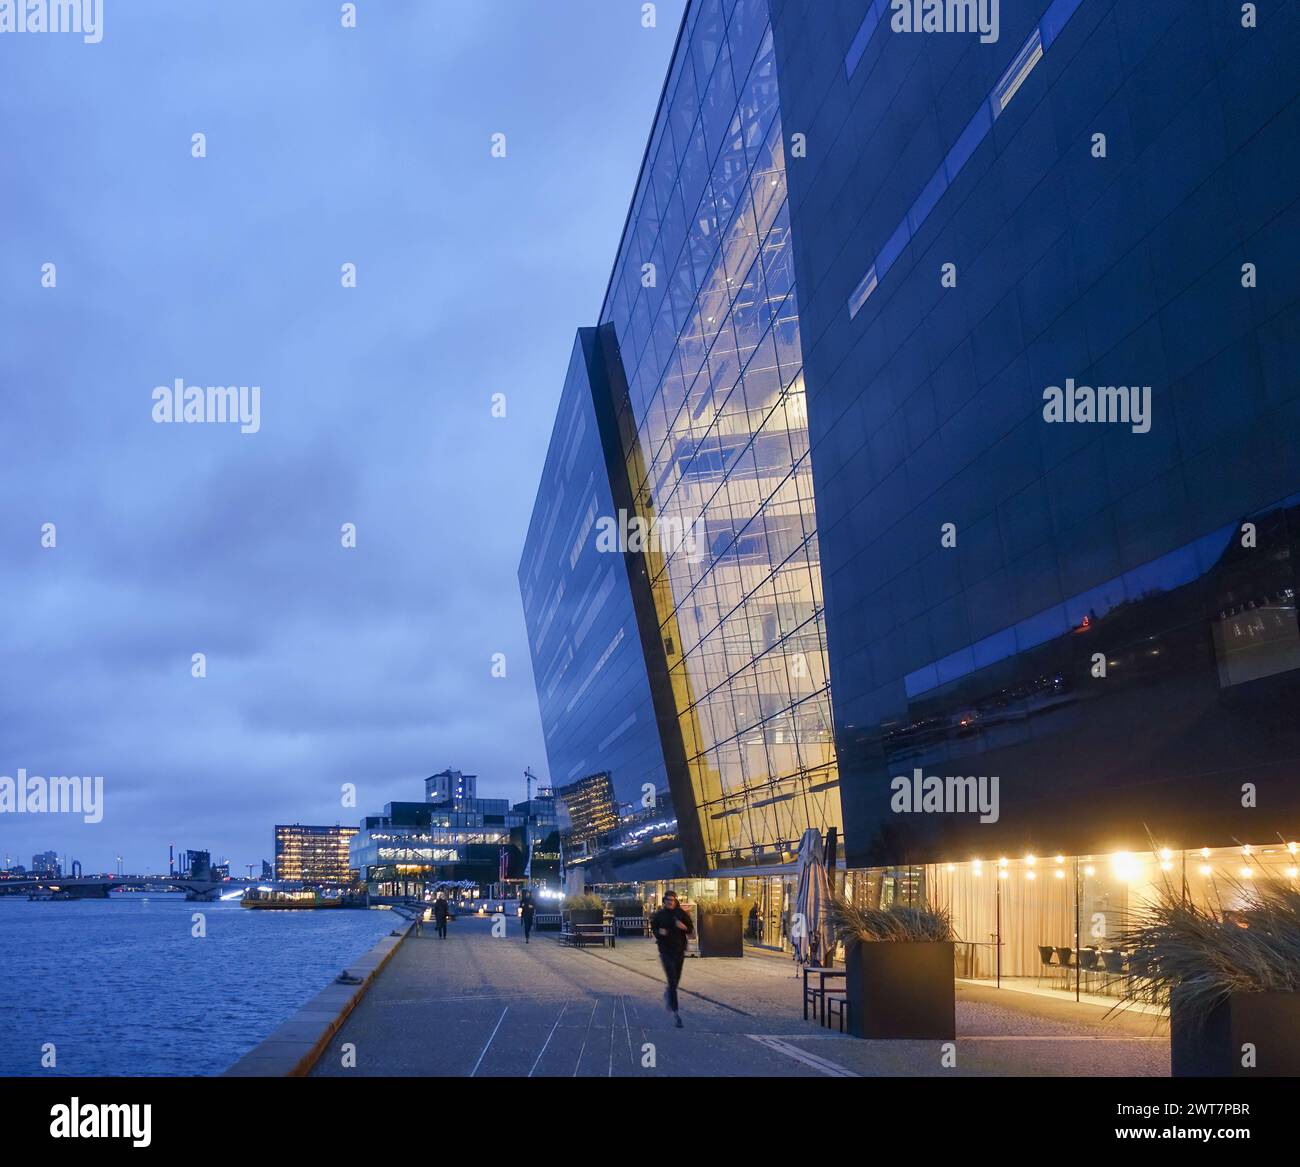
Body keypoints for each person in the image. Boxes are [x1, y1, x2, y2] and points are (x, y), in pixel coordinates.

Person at [651, 890, 693, 1028]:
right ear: (664, 901)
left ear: (675, 901)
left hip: (679, 950)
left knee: (676, 980)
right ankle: (676, 1013)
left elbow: (690, 930)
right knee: (672, 980)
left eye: (672, 900)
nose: (670, 902)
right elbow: (654, 929)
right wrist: (659, 933)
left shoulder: (681, 914)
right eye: (668, 900)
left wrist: (684, 927)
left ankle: (669, 992)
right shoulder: (659, 915)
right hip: (665, 951)